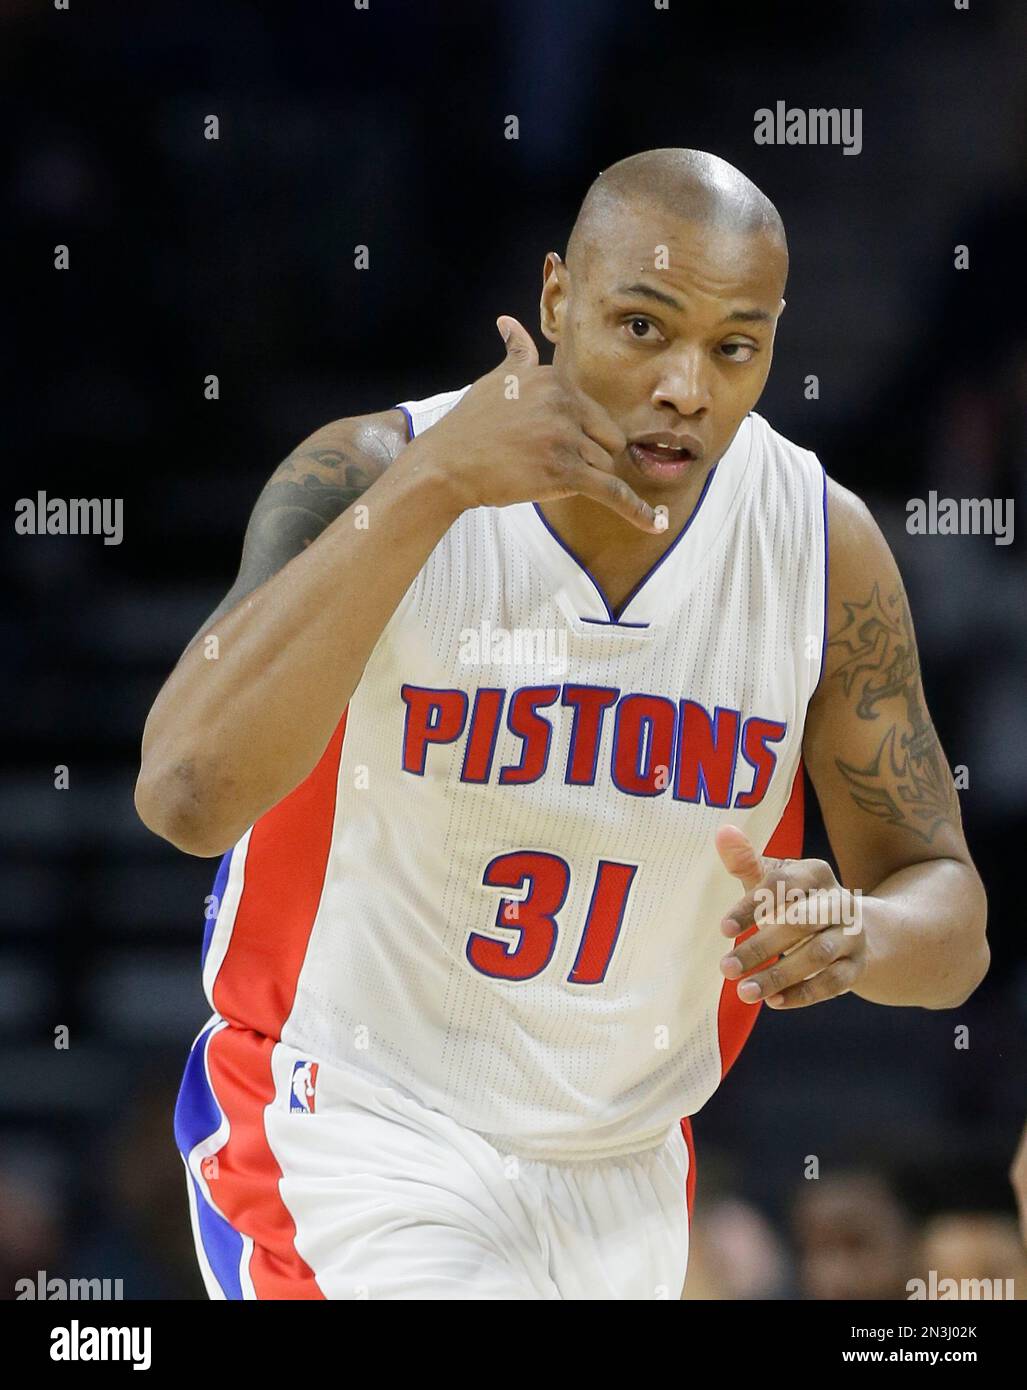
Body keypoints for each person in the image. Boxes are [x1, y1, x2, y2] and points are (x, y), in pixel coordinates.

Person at [136, 148, 989, 1300]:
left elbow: (951, 925)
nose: (687, 385)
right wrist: (434, 488)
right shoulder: (370, 471)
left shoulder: (821, 550)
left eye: (734, 346)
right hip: (353, 1134)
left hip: (625, 1179)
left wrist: (857, 936)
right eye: (644, 327)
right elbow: (185, 795)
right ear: (555, 298)